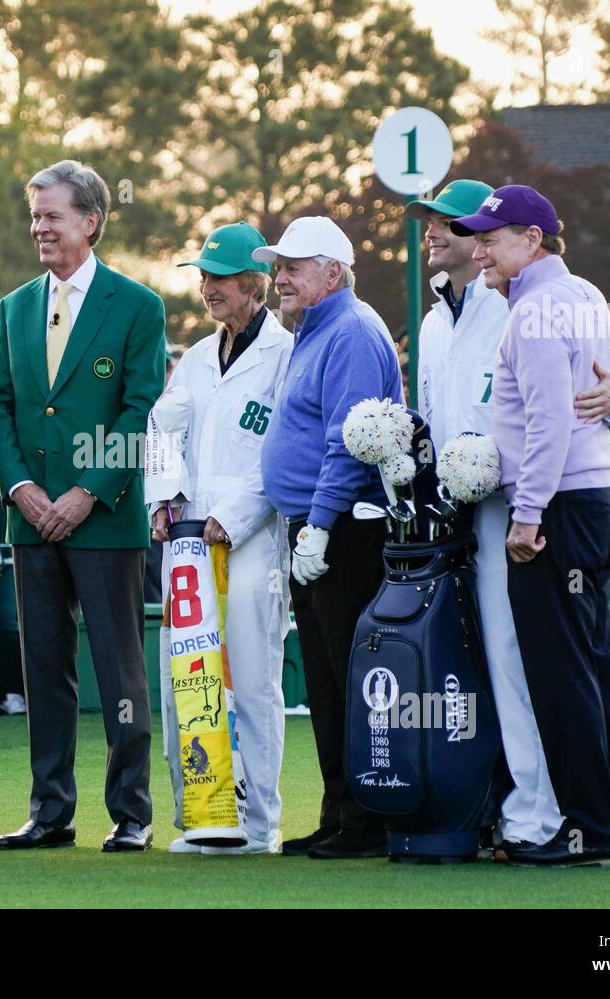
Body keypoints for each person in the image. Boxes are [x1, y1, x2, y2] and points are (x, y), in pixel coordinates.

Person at [408, 179, 610, 852]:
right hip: (537, 500)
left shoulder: (526, 306)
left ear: (529, 240)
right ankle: (605, 822)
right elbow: (593, 378)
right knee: (565, 668)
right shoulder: (566, 293)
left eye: (485, 234)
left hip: (540, 501)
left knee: (548, 670)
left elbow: (556, 411)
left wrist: (528, 514)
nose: (475, 246)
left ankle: (572, 821)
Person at [0, 159, 165, 852]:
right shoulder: (13, 308)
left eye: (52, 215)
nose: (39, 227)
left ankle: (132, 811)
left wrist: (86, 492)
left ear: (91, 221)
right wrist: (24, 490)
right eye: (34, 215)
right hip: (30, 522)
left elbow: (136, 409)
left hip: (106, 520)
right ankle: (50, 809)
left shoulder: (140, 306)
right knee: (45, 670)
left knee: (119, 670)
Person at [257, 216, 403, 860]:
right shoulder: (315, 331)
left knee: (353, 679)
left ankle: (368, 819)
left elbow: (347, 443)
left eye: (293, 267)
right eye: (276, 266)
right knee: (323, 680)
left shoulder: (349, 332)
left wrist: (317, 525)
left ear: (333, 272)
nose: (278, 278)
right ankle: (340, 811)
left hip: (345, 531)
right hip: (318, 529)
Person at [148, 221, 293, 855]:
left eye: (219, 278)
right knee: (188, 678)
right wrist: (163, 495)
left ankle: (258, 821)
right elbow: (161, 429)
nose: (207, 288)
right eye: (203, 277)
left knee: (254, 678)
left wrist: (232, 517)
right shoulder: (198, 358)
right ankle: (202, 816)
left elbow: (283, 456)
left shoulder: (285, 354)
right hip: (185, 544)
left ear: (253, 285)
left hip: (253, 539)